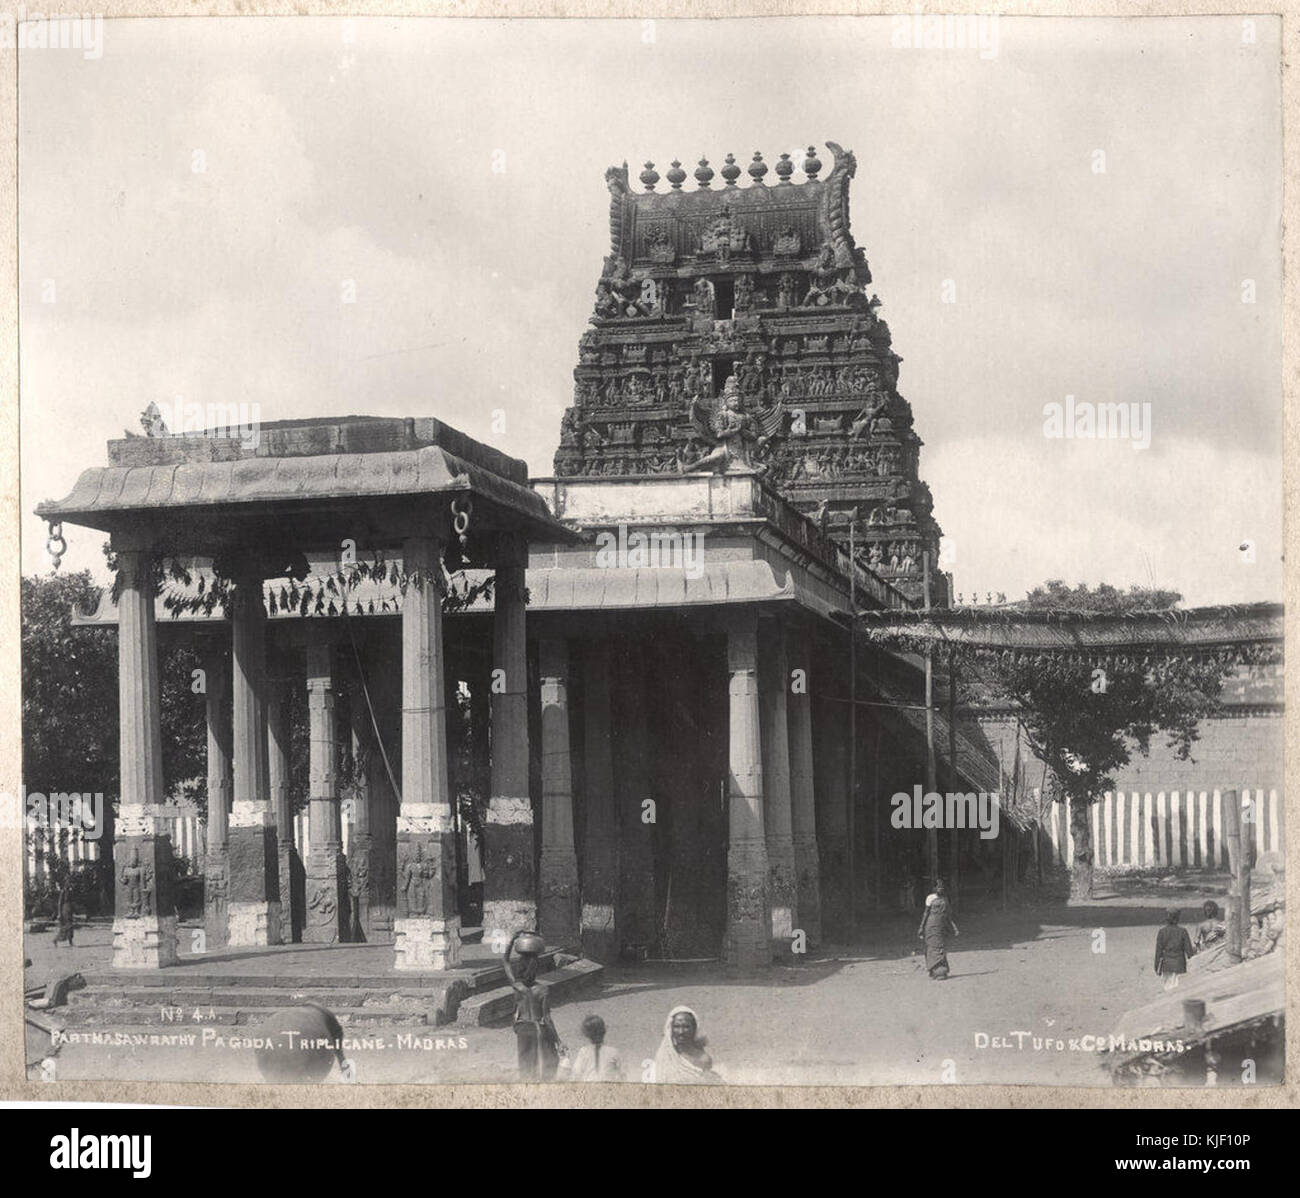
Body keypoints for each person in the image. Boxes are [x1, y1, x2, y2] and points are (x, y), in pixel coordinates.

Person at [502, 930, 563, 1080]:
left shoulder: (517, 986)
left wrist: (512, 941)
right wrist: (559, 1041)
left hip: (523, 1029)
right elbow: (547, 1018)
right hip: (539, 1028)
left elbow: (505, 961)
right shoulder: (543, 990)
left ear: (520, 969)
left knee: (525, 1066)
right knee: (547, 1065)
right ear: (536, 969)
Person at [652, 1006, 723, 1084]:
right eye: (676, 1026)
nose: (681, 1031)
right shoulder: (665, 1056)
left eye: (686, 1027)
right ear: (670, 1029)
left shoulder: (704, 1058)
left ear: (694, 1028)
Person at [917, 878, 959, 980]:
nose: (940, 889)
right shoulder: (930, 898)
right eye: (938, 887)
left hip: (942, 925)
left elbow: (948, 914)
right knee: (933, 946)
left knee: (941, 946)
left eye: (942, 887)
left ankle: (941, 970)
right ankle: (935, 970)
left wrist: (954, 927)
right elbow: (926, 913)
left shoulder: (945, 899)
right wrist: (921, 927)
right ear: (934, 888)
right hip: (931, 925)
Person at [570, 1014, 624, 1082]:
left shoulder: (583, 1051)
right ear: (604, 1031)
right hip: (608, 1087)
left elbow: (576, 1074)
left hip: (589, 1087)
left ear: (587, 1035)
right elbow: (623, 1075)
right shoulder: (614, 1052)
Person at [1154, 907, 1195, 990]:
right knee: (1178, 990)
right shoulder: (1183, 931)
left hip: (1167, 965)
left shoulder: (1162, 932)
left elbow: (1158, 952)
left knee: (1168, 989)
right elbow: (1189, 952)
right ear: (1178, 918)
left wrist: (1156, 966)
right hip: (1180, 964)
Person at [53, 880, 74, 948]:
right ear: (66, 884)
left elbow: (72, 902)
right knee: (65, 927)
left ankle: (71, 942)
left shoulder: (70, 892)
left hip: (69, 910)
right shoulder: (63, 892)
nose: (70, 885)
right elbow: (59, 903)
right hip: (64, 911)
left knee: (70, 927)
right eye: (69, 884)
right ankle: (56, 940)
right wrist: (59, 913)